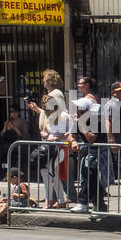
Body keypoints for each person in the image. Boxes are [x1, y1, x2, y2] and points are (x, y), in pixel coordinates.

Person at [29, 69, 72, 209]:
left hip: (53, 140)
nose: (43, 82)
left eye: (44, 79)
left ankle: (53, 199)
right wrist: (38, 110)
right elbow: (52, 114)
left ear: (49, 81)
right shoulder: (53, 94)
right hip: (50, 138)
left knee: (48, 171)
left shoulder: (55, 94)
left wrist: (51, 133)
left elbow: (60, 114)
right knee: (50, 171)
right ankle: (58, 199)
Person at [70, 104, 112, 214]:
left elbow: (91, 138)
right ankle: (95, 205)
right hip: (87, 154)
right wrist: (73, 141)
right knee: (88, 179)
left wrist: (81, 124)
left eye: (81, 110)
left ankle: (93, 205)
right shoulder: (79, 122)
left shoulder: (97, 122)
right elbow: (70, 135)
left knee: (96, 179)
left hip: (99, 154)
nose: (78, 113)